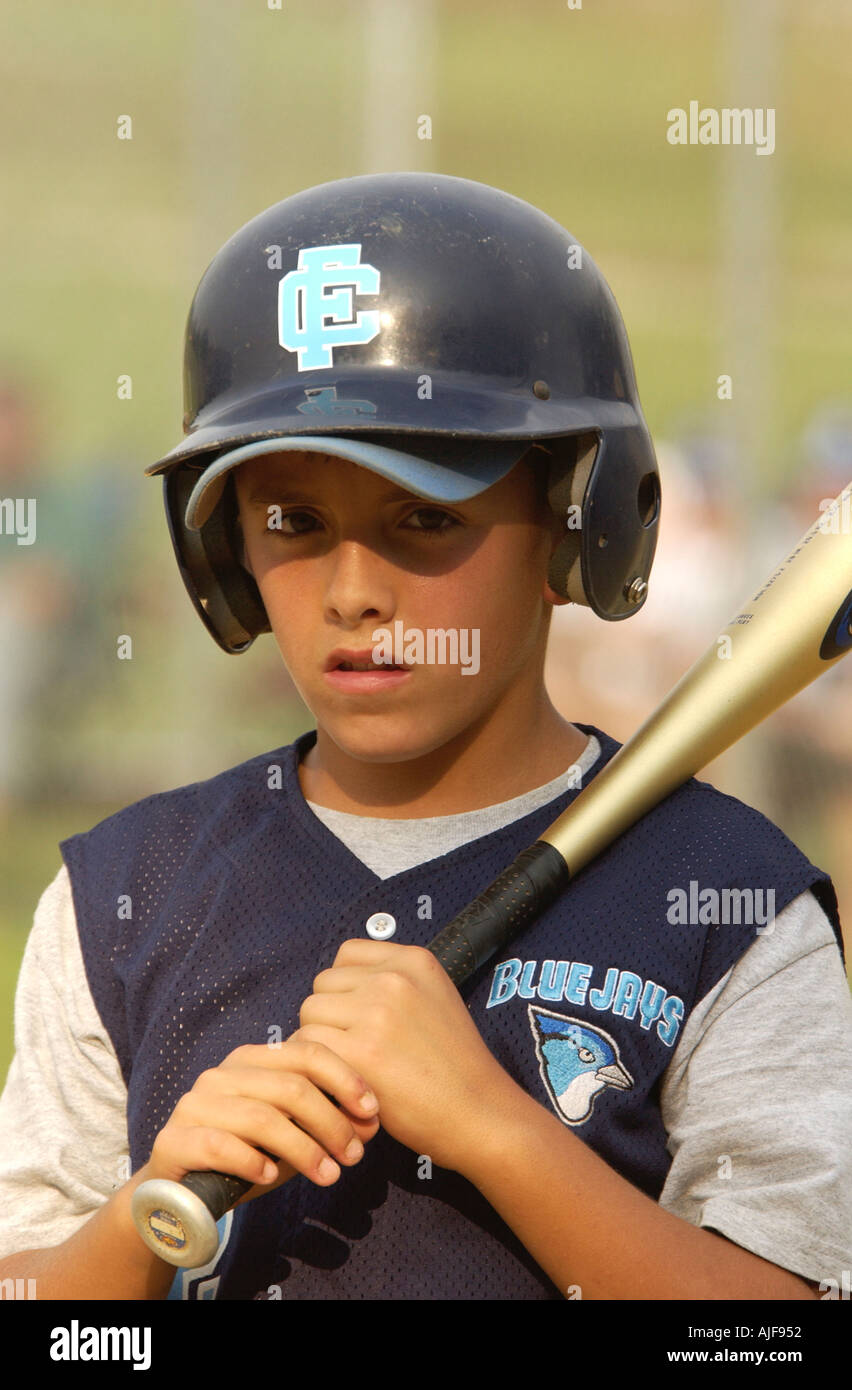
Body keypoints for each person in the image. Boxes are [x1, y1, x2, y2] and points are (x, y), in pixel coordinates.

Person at [0, 173, 849, 1301]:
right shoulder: (126, 893)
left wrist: (498, 1129)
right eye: (293, 521)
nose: (353, 591)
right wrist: (141, 1219)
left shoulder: (729, 901)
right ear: (225, 558)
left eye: (424, 519)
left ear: (574, 523)